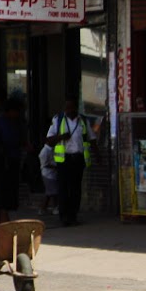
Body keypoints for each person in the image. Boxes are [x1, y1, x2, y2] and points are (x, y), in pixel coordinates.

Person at [45, 97, 88, 226]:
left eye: (71, 107)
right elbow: (49, 140)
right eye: (66, 108)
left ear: (76, 108)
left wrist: (97, 156)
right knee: (63, 188)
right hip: (64, 160)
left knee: (75, 189)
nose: (68, 110)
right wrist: (61, 137)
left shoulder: (83, 121)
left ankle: (73, 215)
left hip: (78, 159)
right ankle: (64, 217)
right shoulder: (58, 120)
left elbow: (90, 138)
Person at [0, 97, 26, 224]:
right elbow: (10, 140)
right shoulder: (3, 122)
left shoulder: (9, 122)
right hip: (3, 162)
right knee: (3, 195)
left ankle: (4, 220)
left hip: (7, 161)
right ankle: (3, 222)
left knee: (5, 195)